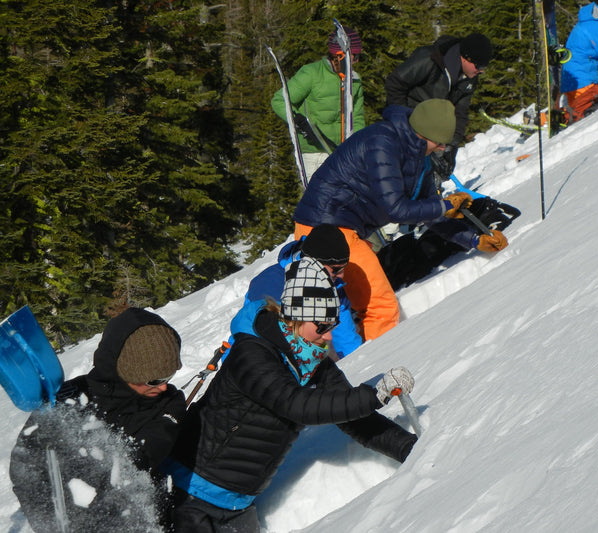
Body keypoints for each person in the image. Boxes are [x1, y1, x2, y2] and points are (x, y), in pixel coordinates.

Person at [164, 257, 417, 532]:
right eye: (322, 326)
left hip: (237, 503)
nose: (329, 336)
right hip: (189, 491)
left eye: (332, 325)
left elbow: (354, 417)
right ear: (296, 317)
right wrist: (373, 395)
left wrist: (413, 449)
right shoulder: (252, 353)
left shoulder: (312, 359)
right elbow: (296, 404)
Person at [293, 98, 508, 341]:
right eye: (440, 142)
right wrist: (445, 206)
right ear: (425, 133)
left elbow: (428, 212)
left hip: (345, 230)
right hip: (326, 230)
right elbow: (396, 208)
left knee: (346, 310)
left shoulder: (420, 156)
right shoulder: (383, 143)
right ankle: (379, 368)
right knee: (380, 306)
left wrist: (474, 239)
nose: (442, 149)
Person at [10, 307, 185, 532]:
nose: (163, 386)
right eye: (153, 380)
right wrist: (52, 520)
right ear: (125, 371)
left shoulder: (168, 403)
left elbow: (145, 452)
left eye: (169, 376)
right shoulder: (69, 404)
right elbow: (25, 473)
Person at [241, 224, 362, 359]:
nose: (342, 276)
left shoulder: (330, 280)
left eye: (343, 268)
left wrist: (358, 364)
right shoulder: (271, 287)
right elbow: (256, 344)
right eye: (336, 269)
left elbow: (347, 340)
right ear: (315, 263)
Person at [385, 32, 493, 183]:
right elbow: (394, 84)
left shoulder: (469, 79)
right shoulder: (430, 59)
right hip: (410, 124)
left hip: (433, 133)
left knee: (430, 177)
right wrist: (405, 125)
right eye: (479, 66)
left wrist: (450, 145)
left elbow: (460, 112)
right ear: (465, 57)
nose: (481, 71)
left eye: (484, 67)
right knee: (401, 176)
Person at [271, 25, 366, 175]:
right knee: (319, 198)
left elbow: (358, 117)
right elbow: (279, 101)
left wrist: (357, 147)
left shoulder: (354, 80)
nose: (357, 61)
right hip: (314, 153)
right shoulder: (312, 73)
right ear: (340, 55)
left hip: (342, 153)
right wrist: (300, 122)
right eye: (355, 56)